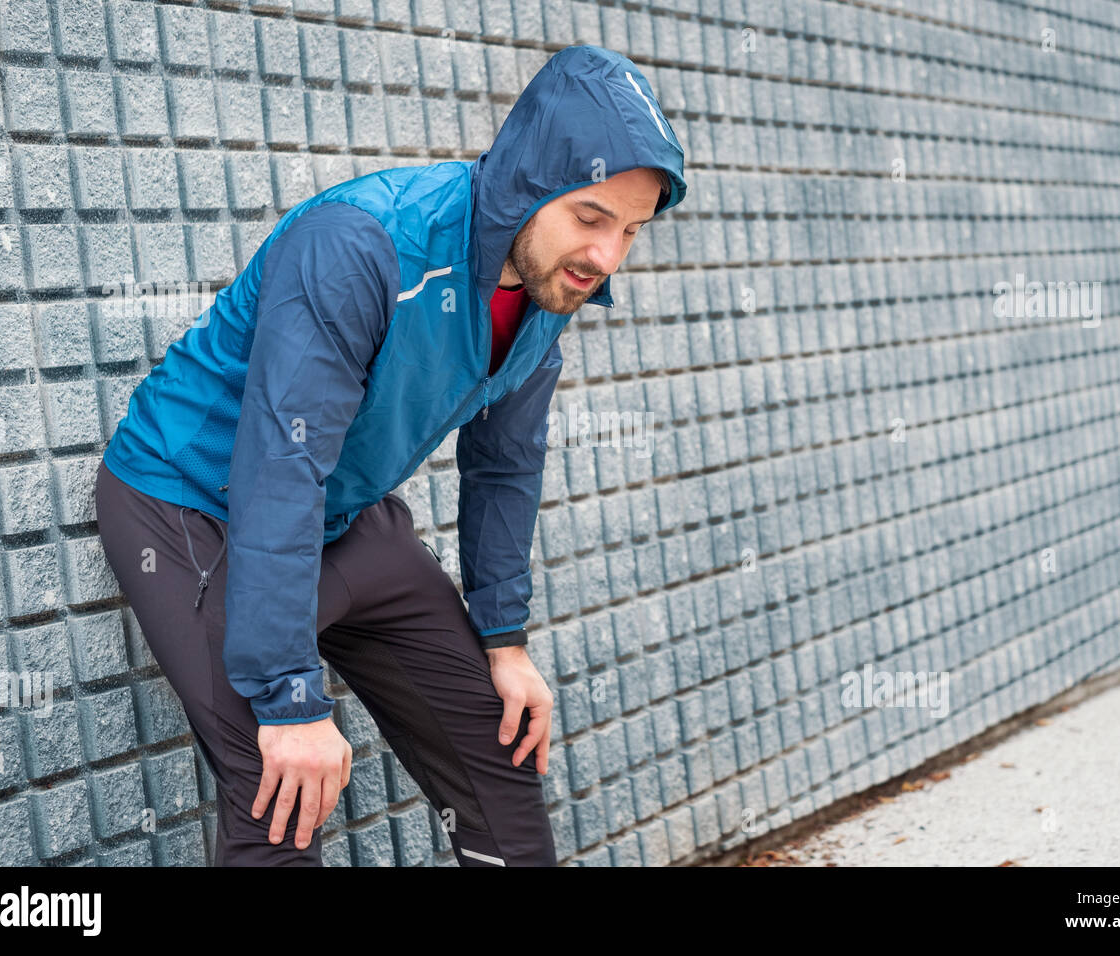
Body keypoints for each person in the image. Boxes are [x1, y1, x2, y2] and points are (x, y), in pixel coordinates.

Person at [94, 44, 688, 866]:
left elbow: (505, 464)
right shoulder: (361, 244)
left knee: (499, 740)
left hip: (339, 512)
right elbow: (280, 463)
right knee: (280, 796)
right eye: (591, 217)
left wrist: (503, 637)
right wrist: (292, 700)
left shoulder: (551, 285)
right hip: (189, 507)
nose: (607, 256)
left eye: (631, 230)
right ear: (529, 181)